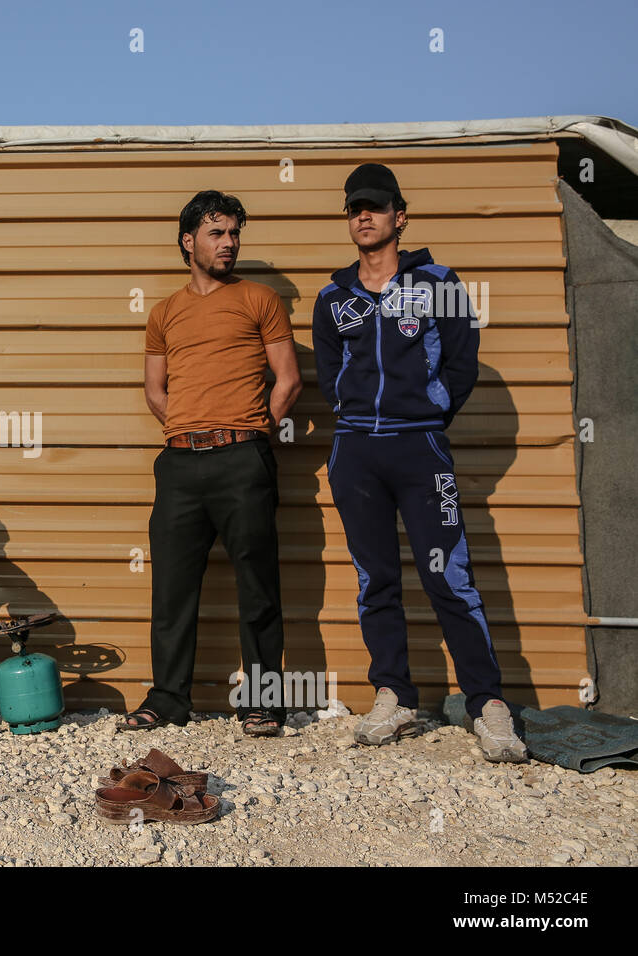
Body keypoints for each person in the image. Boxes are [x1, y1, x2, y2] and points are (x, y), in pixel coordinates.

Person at [310, 162, 527, 762]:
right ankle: (395, 694)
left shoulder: (440, 282)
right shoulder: (333, 297)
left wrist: (425, 415)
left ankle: (487, 704)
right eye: (355, 207)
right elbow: (331, 377)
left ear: (399, 217)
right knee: (374, 578)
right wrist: (358, 421)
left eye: (375, 207)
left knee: (448, 576)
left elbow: (462, 365)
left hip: (420, 449)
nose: (364, 216)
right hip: (356, 452)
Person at [125, 190, 302, 736]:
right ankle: (169, 698)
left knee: (258, 587)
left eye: (234, 233)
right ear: (188, 242)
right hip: (179, 465)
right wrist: (185, 427)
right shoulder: (164, 313)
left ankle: (265, 700)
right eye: (217, 233)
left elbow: (289, 379)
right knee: (172, 591)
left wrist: (253, 429)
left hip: (243, 459)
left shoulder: (259, 299)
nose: (229, 244)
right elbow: (155, 390)